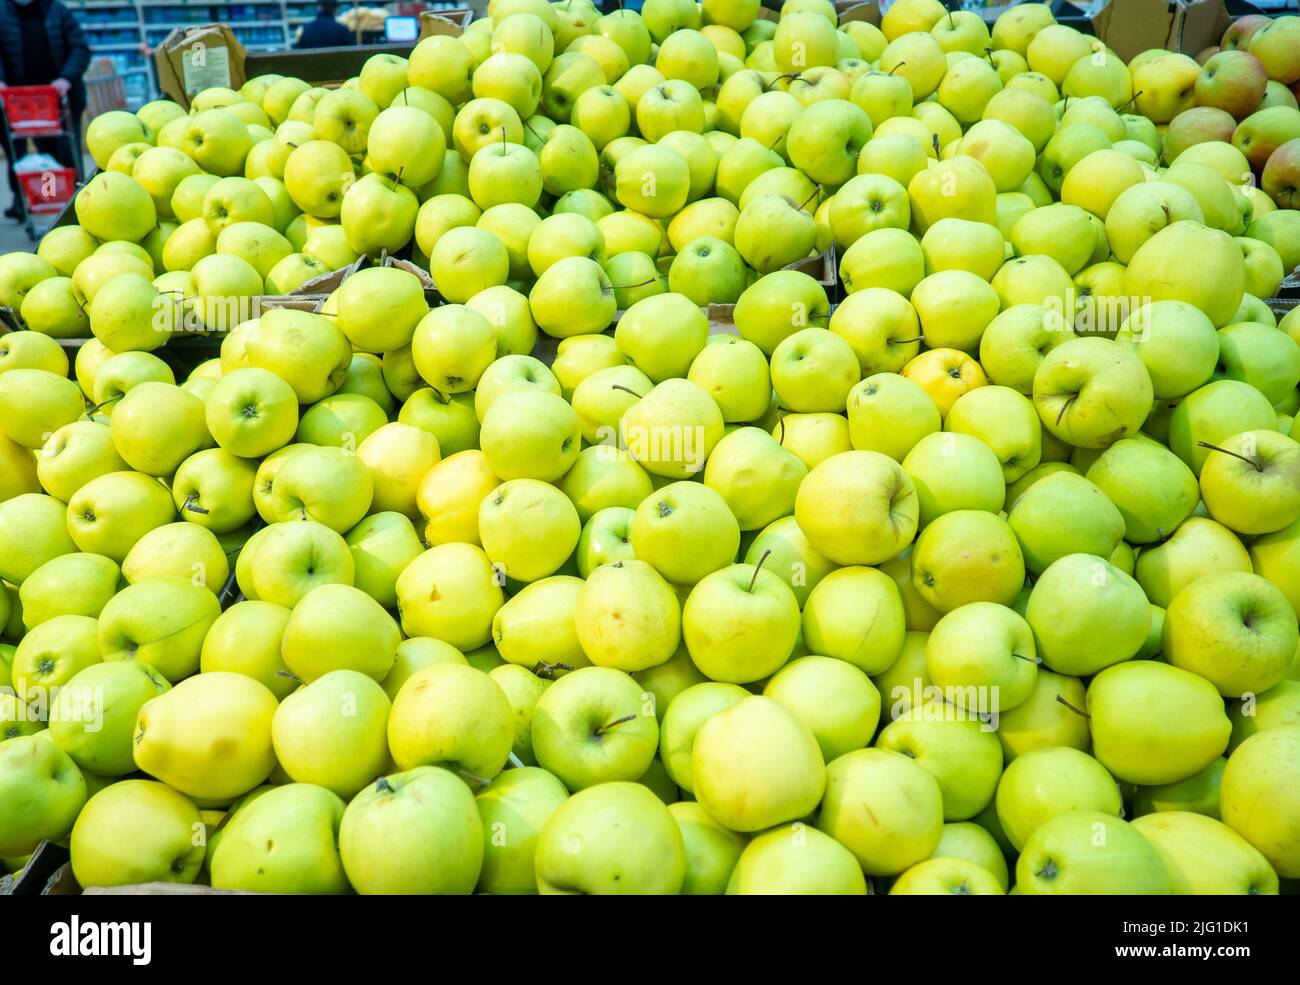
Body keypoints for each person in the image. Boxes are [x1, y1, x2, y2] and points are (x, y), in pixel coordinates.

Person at [0, 0, 89, 219]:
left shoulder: (57, 11)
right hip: (20, 102)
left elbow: (80, 48)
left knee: (65, 152)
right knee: (24, 154)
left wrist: (66, 78)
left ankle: (75, 201)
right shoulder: (2, 12)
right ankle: (28, 201)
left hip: (59, 98)